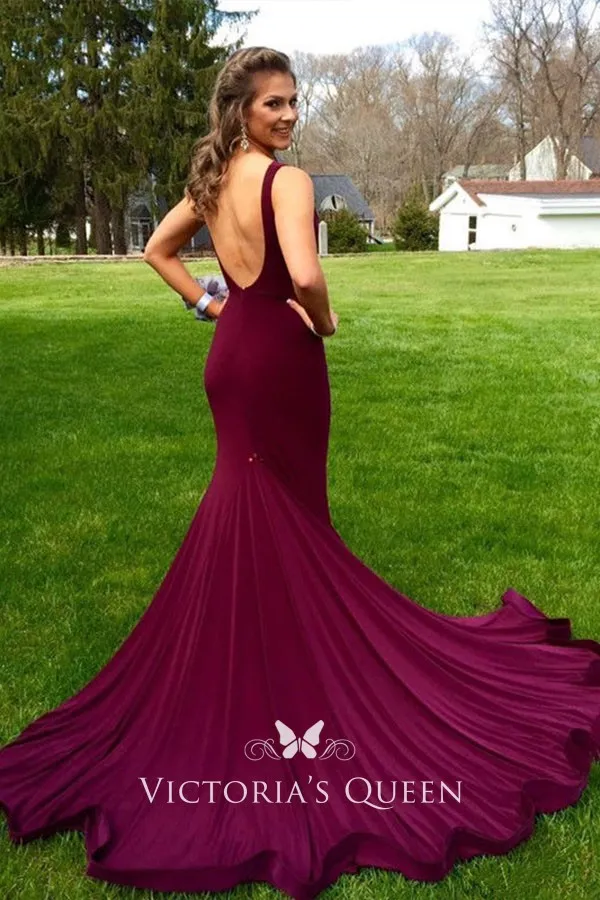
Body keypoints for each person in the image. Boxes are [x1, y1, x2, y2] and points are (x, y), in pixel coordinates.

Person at [1, 45, 600, 900]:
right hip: (280, 356)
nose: (288, 114)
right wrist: (323, 320)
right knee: (283, 511)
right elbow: (307, 274)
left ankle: (270, 656)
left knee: (264, 507)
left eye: (292, 100)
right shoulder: (287, 181)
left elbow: (158, 252)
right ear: (239, 109)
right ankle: (296, 664)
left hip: (232, 356)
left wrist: (210, 303)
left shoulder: (214, 181)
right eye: (272, 103)